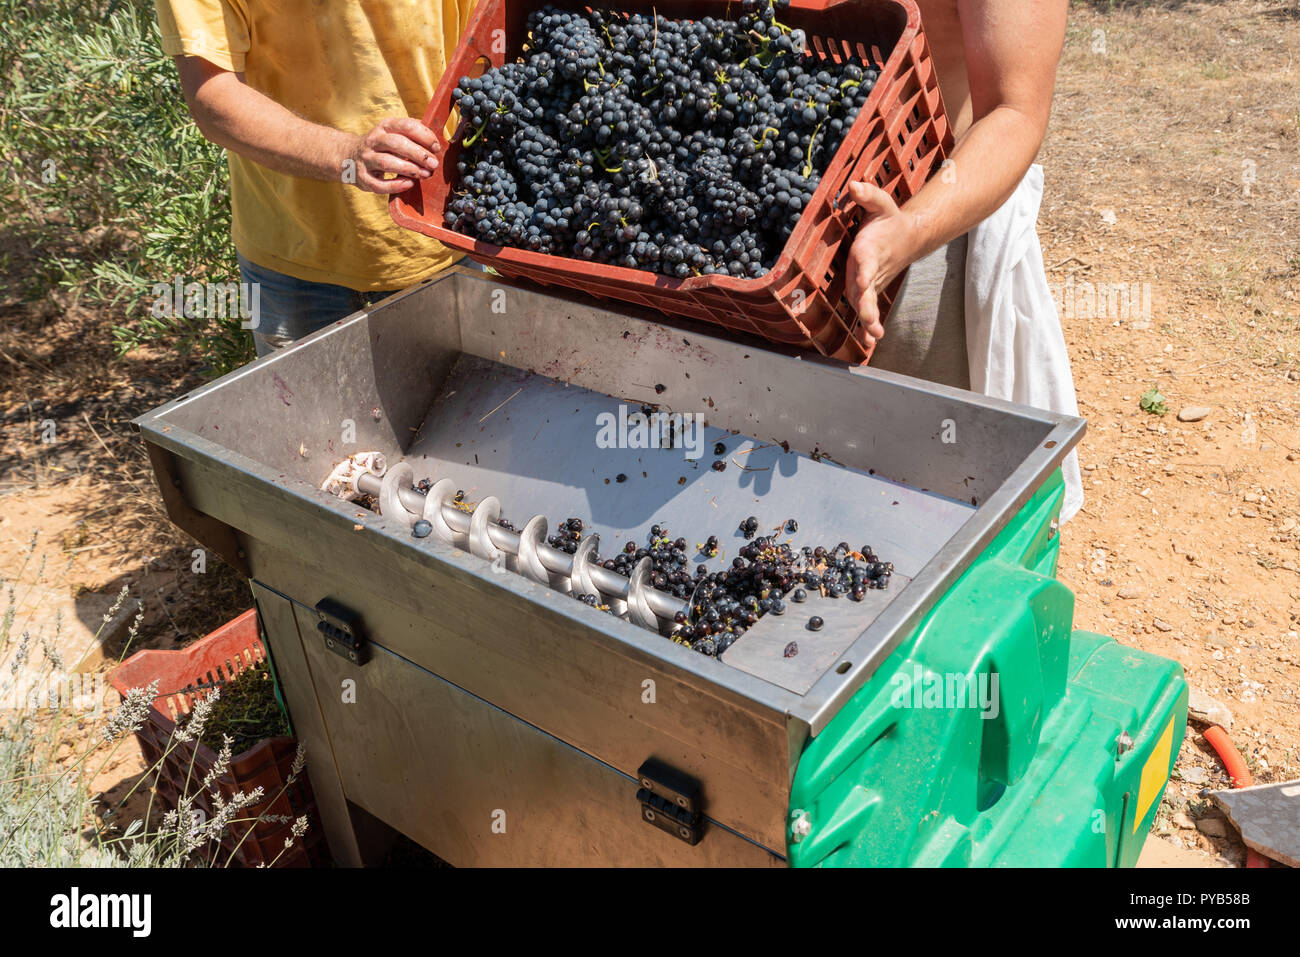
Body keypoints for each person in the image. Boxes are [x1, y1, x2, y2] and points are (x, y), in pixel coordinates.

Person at [843, 0, 1083, 520]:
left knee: (917, 512)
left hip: (917, 254)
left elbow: (1013, 110)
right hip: (728, 255)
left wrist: (908, 232)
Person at [153, 0, 477, 355]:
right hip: (292, 264)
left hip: (442, 241)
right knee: (305, 407)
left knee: (458, 405)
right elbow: (212, 96)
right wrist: (346, 156)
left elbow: (495, 42)